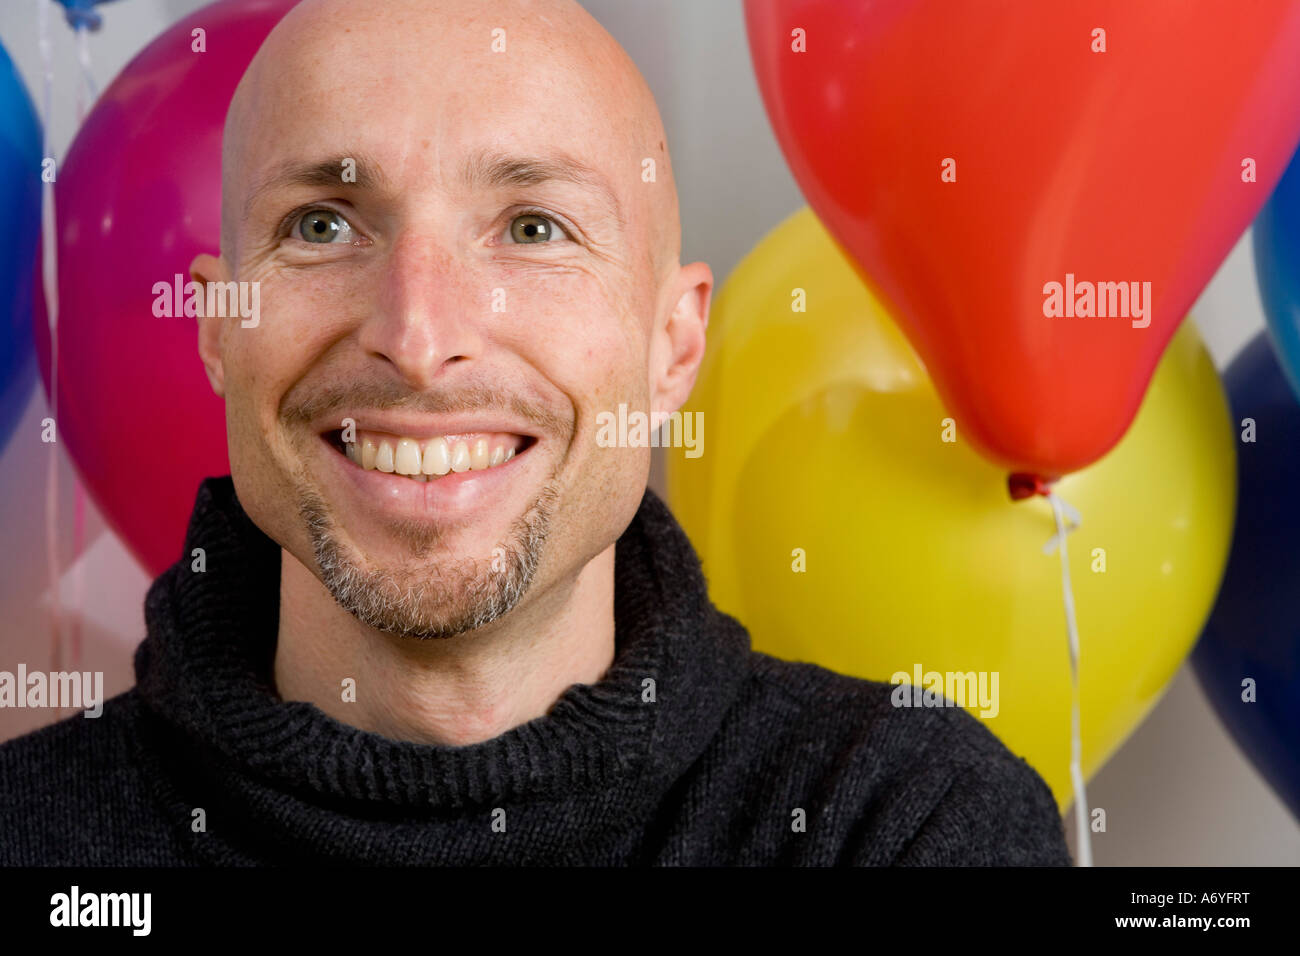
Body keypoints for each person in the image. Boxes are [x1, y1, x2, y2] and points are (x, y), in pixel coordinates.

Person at [0, 0, 1070, 866]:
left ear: (673, 346)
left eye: (532, 228)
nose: (419, 339)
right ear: (219, 328)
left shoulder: (905, 824)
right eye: (322, 224)